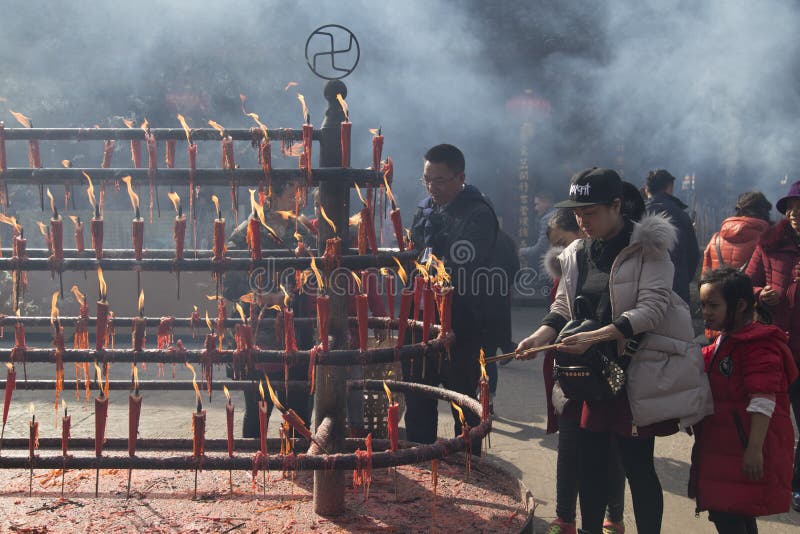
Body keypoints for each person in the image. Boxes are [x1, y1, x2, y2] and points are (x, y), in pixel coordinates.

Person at [517, 168, 711, 533]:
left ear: (616, 205)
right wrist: (538, 337)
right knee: (590, 462)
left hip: (635, 372)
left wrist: (593, 337)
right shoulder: (575, 251)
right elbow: (562, 307)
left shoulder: (648, 249)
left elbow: (651, 310)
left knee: (636, 465)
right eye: (577, 213)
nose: (582, 220)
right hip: (590, 377)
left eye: (589, 212)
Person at [407, 143, 498, 451]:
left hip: (461, 323)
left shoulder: (478, 213)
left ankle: (471, 470)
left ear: (461, 177)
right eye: (427, 179)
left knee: (463, 404)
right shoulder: (425, 209)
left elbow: (465, 265)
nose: (433, 187)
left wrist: (433, 256)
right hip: (420, 320)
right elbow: (413, 256)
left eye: (441, 180)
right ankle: (419, 464)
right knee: (417, 399)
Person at [692, 268, 798, 532]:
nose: (706, 312)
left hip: (741, 450)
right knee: (734, 516)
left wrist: (754, 450)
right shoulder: (724, 341)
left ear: (740, 305)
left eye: (713, 305)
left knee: (732, 518)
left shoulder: (758, 346)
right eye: (703, 305)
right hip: (725, 449)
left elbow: (763, 400)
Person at [223, 177, 314, 438]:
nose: (296, 202)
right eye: (290, 196)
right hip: (257, 335)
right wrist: (263, 296)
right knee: (257, 409)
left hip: (296, 333)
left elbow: (317, 273)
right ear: (269, 197)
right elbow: (230, 287)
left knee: (298, 410)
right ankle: (254, 468)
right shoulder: (244, 234)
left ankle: (298, 468)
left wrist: (299, 281)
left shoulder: (300, 230)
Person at [745, 180, 800, 511]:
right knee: (768, 422)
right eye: (791, 207)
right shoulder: (769, 245)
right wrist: (758, 294)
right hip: (776, 350)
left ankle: (796, 485)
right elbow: (745, 282)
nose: (794, 213)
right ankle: (765, 482)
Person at [645, 169, 701, 304]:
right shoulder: (681, 215)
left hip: (643, 289)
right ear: (669, 187)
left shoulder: (638, 212)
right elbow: (693, 255)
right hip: (676, 289)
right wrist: (681, 279)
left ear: (647, 189)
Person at [702, 192, 772, 274]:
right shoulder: (768, 240)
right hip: (751, 287)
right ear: (764, 211)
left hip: (718, 286)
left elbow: (705, 275)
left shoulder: (715, 239)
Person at [519, 188, 557, 268]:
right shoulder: (557, 213)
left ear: (546, 202)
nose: (535, 208)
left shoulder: (547, 219)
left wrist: (523, 251)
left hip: (550, 263)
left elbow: (541, 247)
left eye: (537, 204)